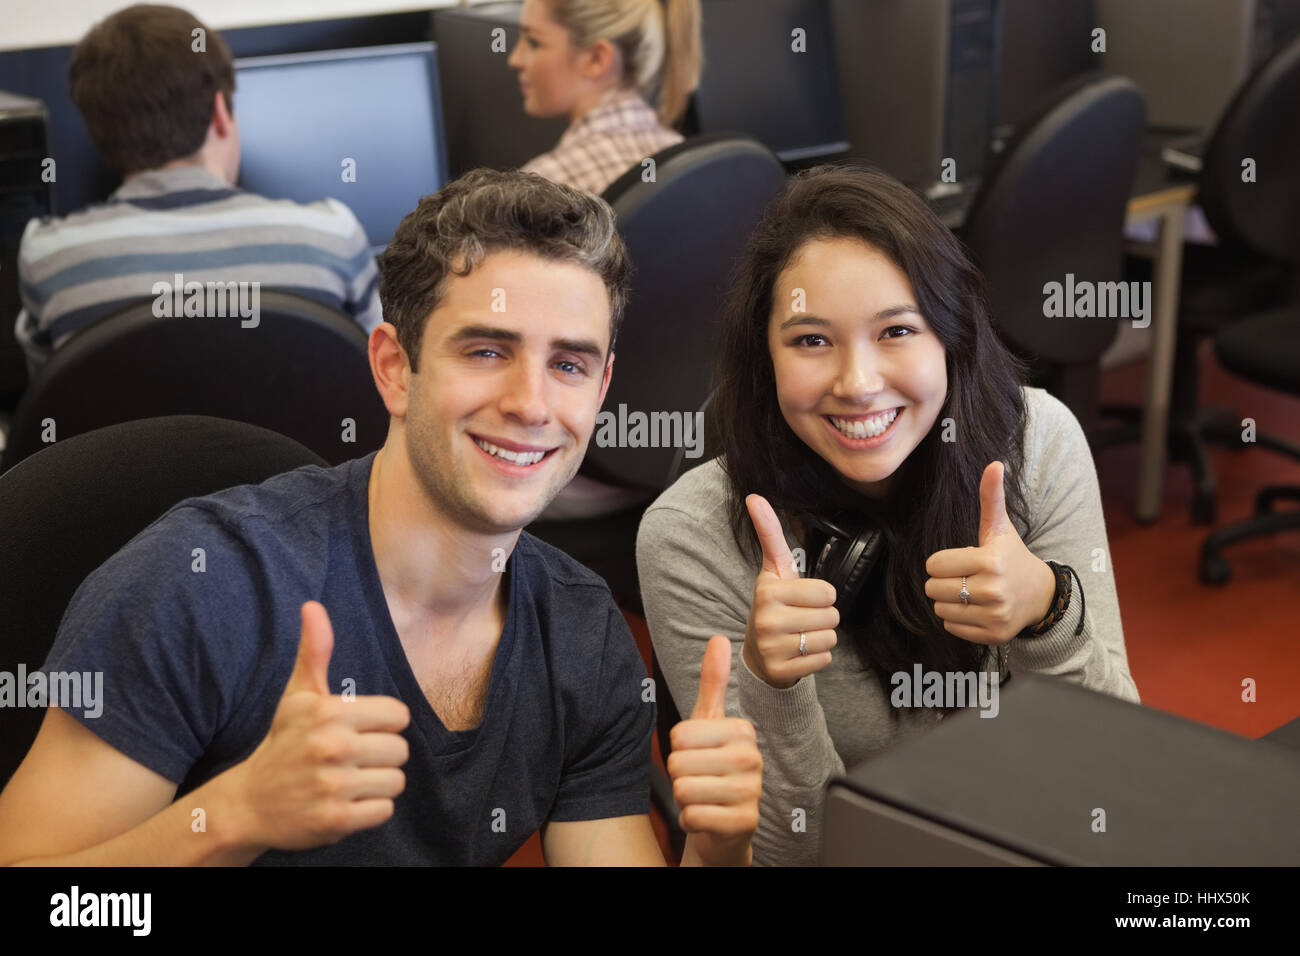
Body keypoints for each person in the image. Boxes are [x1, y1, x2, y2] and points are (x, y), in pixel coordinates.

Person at [0, 168, 761, 866]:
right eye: (488, 351)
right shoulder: (200, 586)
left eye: (569, 364)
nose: (532, 403)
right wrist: (231, 816)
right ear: (395, 369)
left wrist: (717, 850)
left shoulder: (583, 634)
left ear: (601, 391)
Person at [636, 164, 1141, 867]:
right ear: (765, 359)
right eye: (811, 340)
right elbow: (796, 851)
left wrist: (1047, 611)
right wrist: (773, 686)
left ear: (951, 335)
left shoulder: (1038, 446)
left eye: (897, 330)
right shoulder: (690, 537)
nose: (858, 383)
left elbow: (1114, 766)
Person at [14, 4, 381, 375]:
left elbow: (51, 409)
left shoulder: (49, 259)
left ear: (99, 134)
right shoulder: (333, 238)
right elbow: (381, 389)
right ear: (220, 112)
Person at [508, 0, 702, 519]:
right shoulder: (698, 163)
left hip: (577, 474)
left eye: (533, 42)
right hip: (690, 461)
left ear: (596, 58)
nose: (514, 59)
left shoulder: (543, 189)